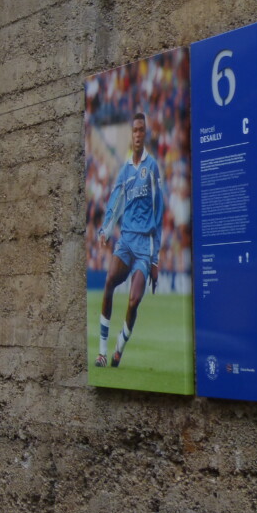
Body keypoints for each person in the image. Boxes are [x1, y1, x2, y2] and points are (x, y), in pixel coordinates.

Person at [95, 112, 164, 368]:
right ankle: (102, 353)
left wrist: (155, 260)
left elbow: (159, 213)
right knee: (109, 281)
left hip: (144, 249)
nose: (137, 135)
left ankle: (118, 350)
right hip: (125, 242)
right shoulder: (124, 171)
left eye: (141, 130)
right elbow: (114, 203)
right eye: (134, 130)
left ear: (145, 134)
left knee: (134, 301)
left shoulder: (152, 167)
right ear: (130, 135)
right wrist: (104, 230)